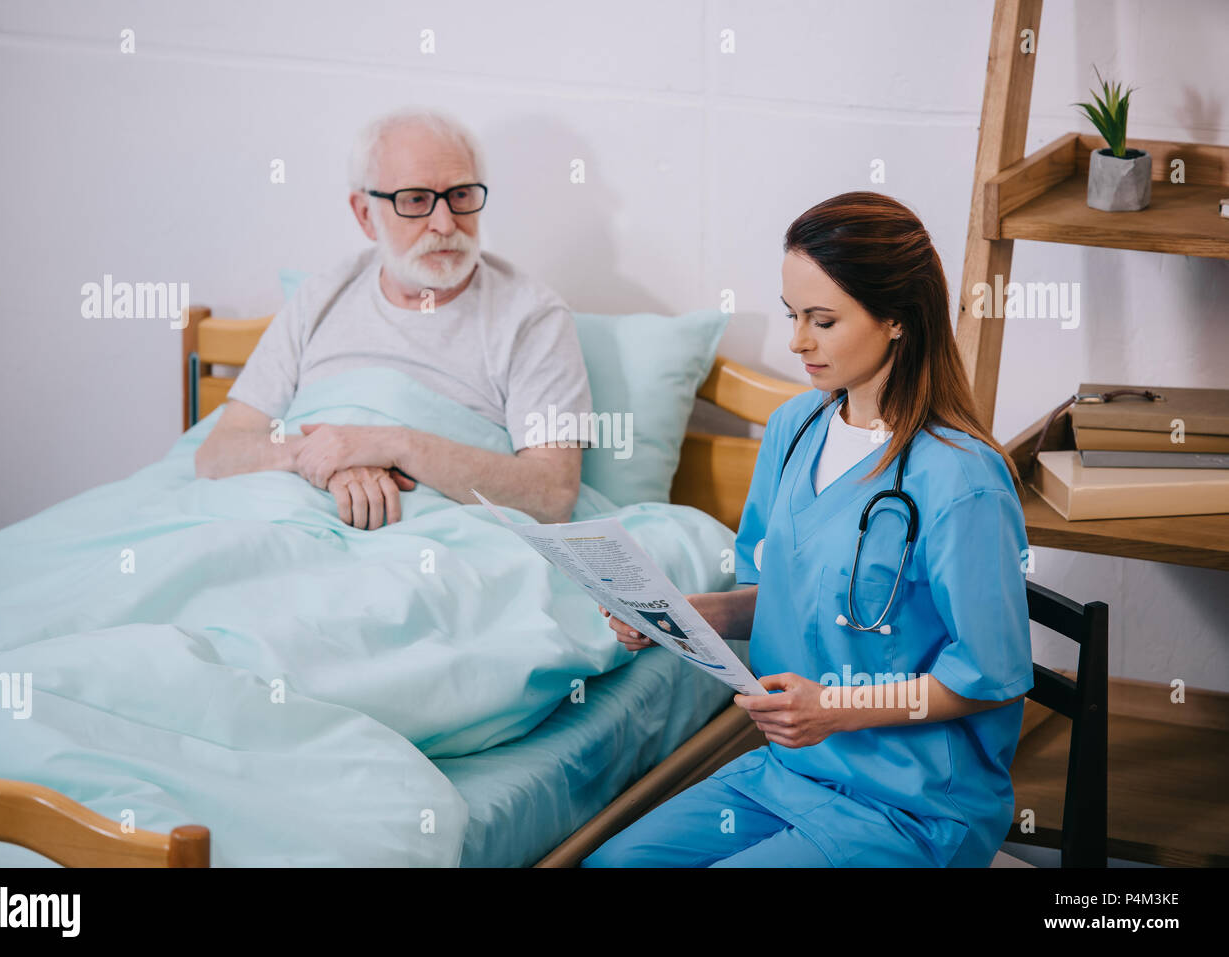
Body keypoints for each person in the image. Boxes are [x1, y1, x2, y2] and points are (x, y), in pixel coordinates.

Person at [586, 192, 1034, 868]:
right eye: (795, 315)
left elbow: (989, 676)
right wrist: (678, 615)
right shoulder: (795, 430)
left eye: (823, 320)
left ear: (896, 320)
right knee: (612, 865)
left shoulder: (961, 480)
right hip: (794, 771)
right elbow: (784, 598)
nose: (797, 340)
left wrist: (836, 708)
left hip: (914, 802)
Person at [194, 107, 591, 530]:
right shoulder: (319, 299)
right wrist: (327, 458)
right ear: (366, 215)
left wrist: (393, 444)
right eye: (416, 200)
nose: (444, 223)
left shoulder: (532, 317)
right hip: (280, 525)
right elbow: (218, 452)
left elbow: (552, 496)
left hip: (437, 546)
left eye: (461, 195)